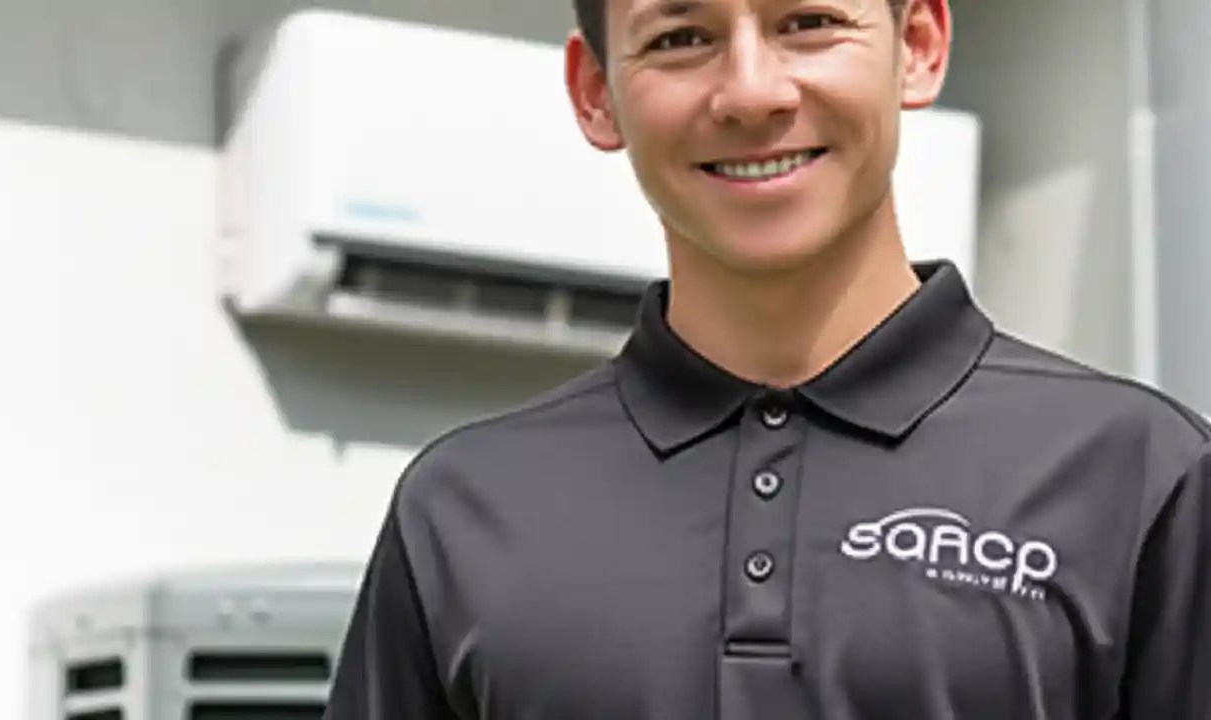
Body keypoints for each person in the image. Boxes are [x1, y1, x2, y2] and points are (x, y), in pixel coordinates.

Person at [323, 0, 1211, 717]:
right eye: (681, 38)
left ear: (919, 45)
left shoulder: (1143, 479)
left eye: (809, 22)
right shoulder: (460, 510)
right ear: (596, 92)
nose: (751, 93)